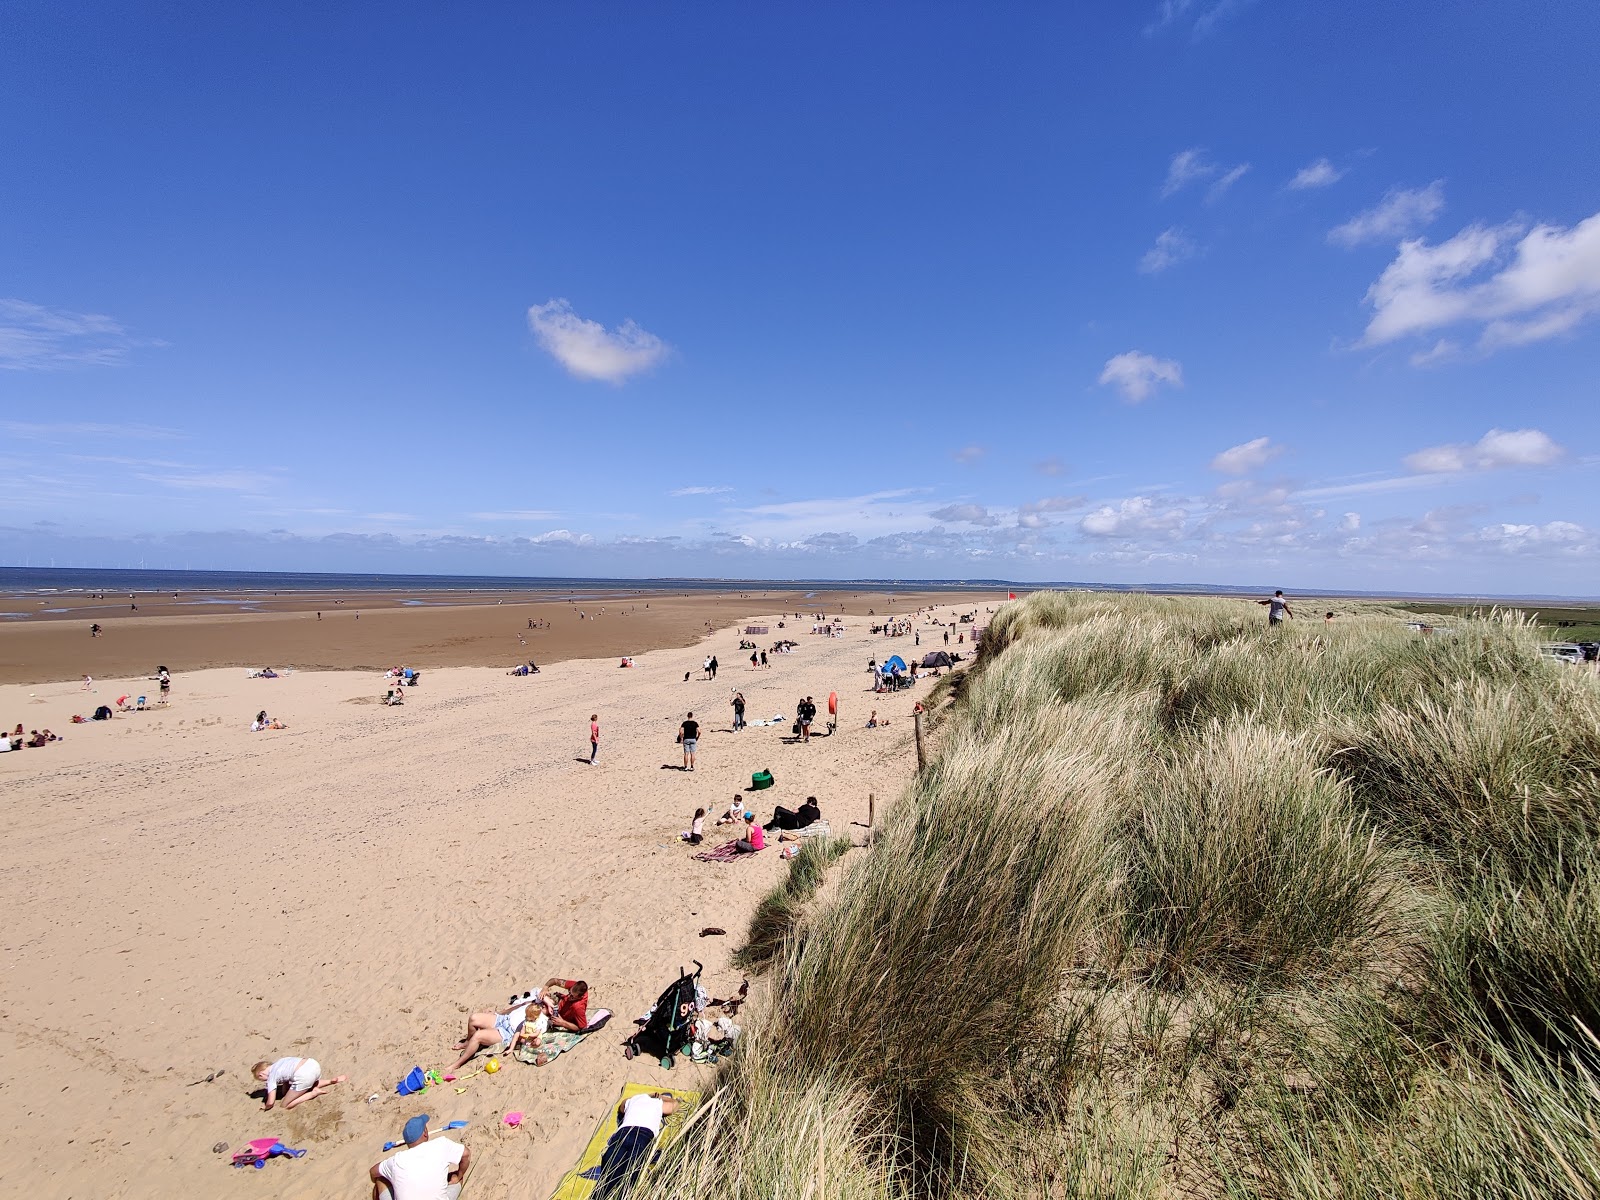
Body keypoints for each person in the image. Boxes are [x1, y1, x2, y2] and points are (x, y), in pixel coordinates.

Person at [590, 1092, 679, 1199]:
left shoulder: (633, 1100)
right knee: (629, 1179)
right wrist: (660, 1097)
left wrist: (649, 1095)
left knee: (607, 1179)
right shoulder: (657, 1103)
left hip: (623, 1133)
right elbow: (674, 1105)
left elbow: (622, 1106)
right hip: (643, 1135)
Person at [370, 1115, 470, 1200]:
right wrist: (459, 1175)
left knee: (380, 1179)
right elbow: (466, 1154)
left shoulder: (396, 1160)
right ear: (425, 1133)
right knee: (455, 1176)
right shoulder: (441, 1144)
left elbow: (373, 1171)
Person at [451, 996, 535, 1069]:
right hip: (503, 1019)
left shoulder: (543, 1017)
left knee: (478, 1036)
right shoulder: (535, 1002)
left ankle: (457, 1064)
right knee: (473, 1018)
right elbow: (521, 1005)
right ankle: (467, 1042)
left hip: (507, 1032)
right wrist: (500, 1013)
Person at [252, 1056, 346, 1111]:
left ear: (261, 1074)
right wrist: (285, 1092)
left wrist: (266, 1107)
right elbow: (286, 1081)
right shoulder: (281, 1061)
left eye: (263, 1079)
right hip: (312, 1064)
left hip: (303, 1075)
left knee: (285, 1105)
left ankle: (313, 1093)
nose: (265, 1081)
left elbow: (271, 1102)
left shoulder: (271, 1077)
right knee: (307, 1083)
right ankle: (330, 1081)